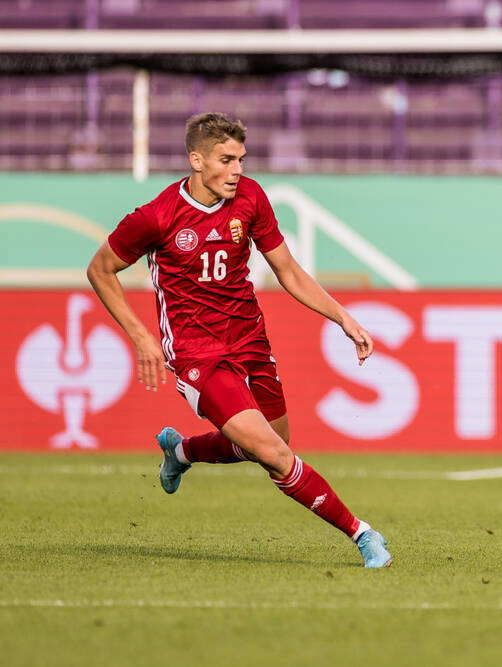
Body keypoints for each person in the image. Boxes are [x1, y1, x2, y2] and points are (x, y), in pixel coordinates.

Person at [86, 112, 392, 568]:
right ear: (197, 160)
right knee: (276, 454)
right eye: (226, 160)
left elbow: (288, 270)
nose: (236, 170)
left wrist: (343, 317)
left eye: (241, 160)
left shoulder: (250, 198)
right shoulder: (157, 217)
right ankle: (363, 534)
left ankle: (181, 451)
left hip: (250, 340)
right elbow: (100, 269)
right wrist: (141, 337)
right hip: (198, 355)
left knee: (271, 446)